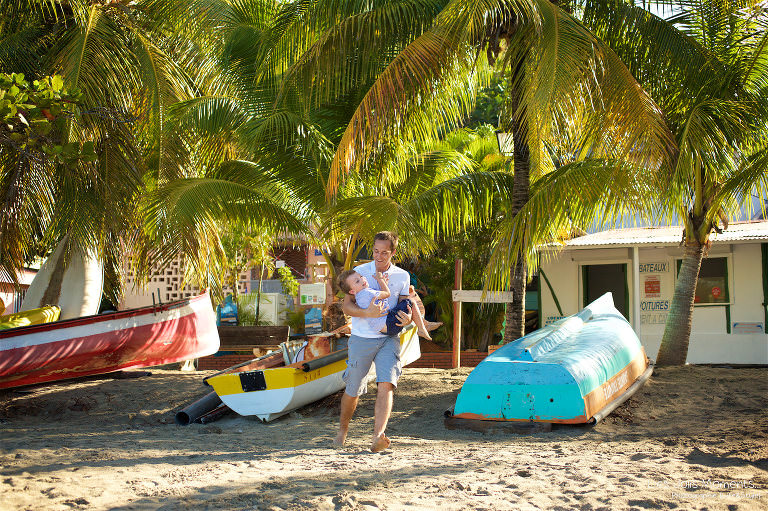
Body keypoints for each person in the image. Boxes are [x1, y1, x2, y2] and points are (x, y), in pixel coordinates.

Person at [334, 231, 412, 453]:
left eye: (384, 253)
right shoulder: (359, 273)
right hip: (362, 339)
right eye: (376, 251)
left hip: (389, 338)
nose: (379, 256)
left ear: (393, 252)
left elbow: (405, 304)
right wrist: (367, 313)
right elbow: (346, 306)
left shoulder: (402, 276)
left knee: (386, 383)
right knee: (353, 388)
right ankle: (342, 431)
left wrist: (407, 318)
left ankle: (378, 437)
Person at [337, 269, 432, 340]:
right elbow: (387, 293)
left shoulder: (359, 297)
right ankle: (422, 328)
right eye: (357, 281)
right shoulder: (367, 292)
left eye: (361, 276)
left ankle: (423, 325)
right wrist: (381, 280)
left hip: (384, 329)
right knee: (411, 301)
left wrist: (383, 284)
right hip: (390, 323)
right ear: (352, 291)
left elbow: (381, 298)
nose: (362, 280)